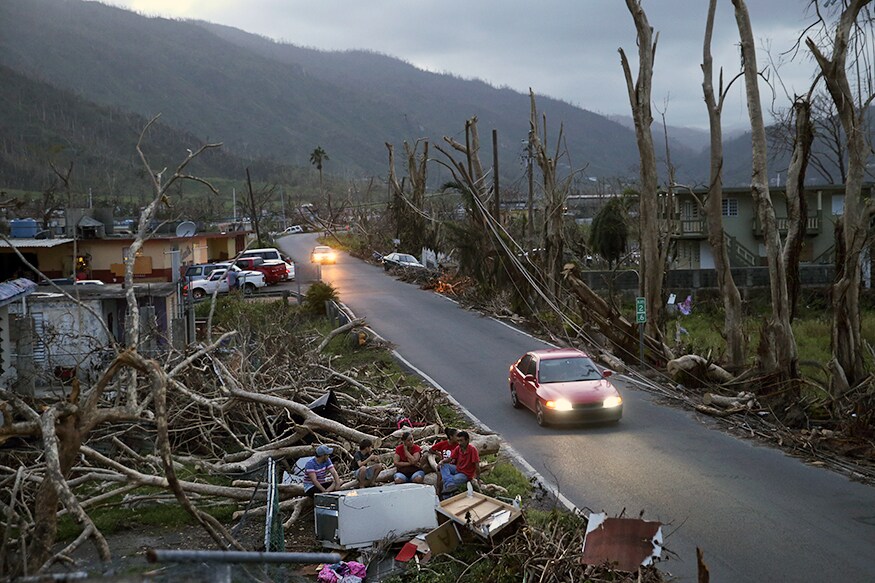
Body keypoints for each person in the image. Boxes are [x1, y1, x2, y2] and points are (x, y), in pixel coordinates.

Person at [438, 431, 480, 497]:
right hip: (457, 469)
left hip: (465, 474)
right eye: (458, 441)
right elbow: (450, 459)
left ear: (467, 440)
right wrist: (442, 461)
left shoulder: (472, 450)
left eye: (461, 441)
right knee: (443, 466)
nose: (459, 443)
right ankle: (450, 485)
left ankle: (446, 497)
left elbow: (477, 466)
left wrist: (478, 479)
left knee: (448, 480)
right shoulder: (458, 448)